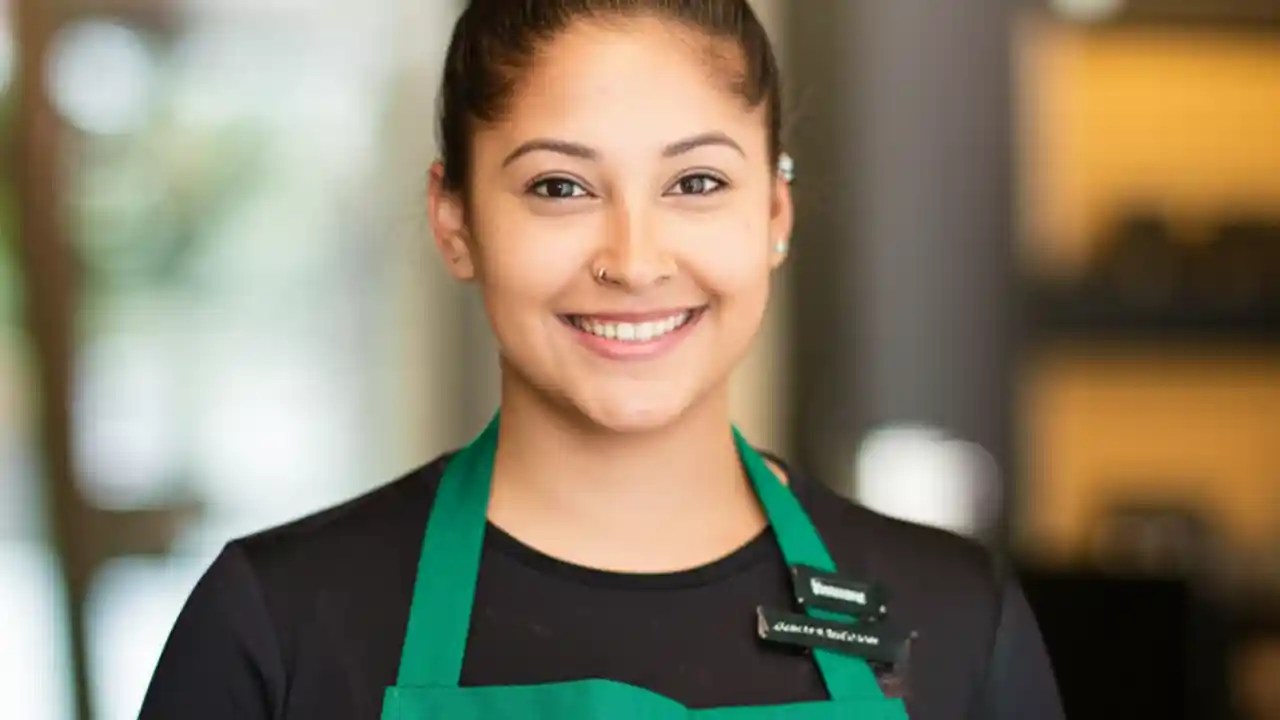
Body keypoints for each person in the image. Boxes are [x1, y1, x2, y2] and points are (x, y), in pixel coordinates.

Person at [139, 1, 1064, 718]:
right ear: (454, 219)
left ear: (774, 214)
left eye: (696, 182)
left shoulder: (954, 624)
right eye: (560, 186)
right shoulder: (278, 629)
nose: (634, 258)